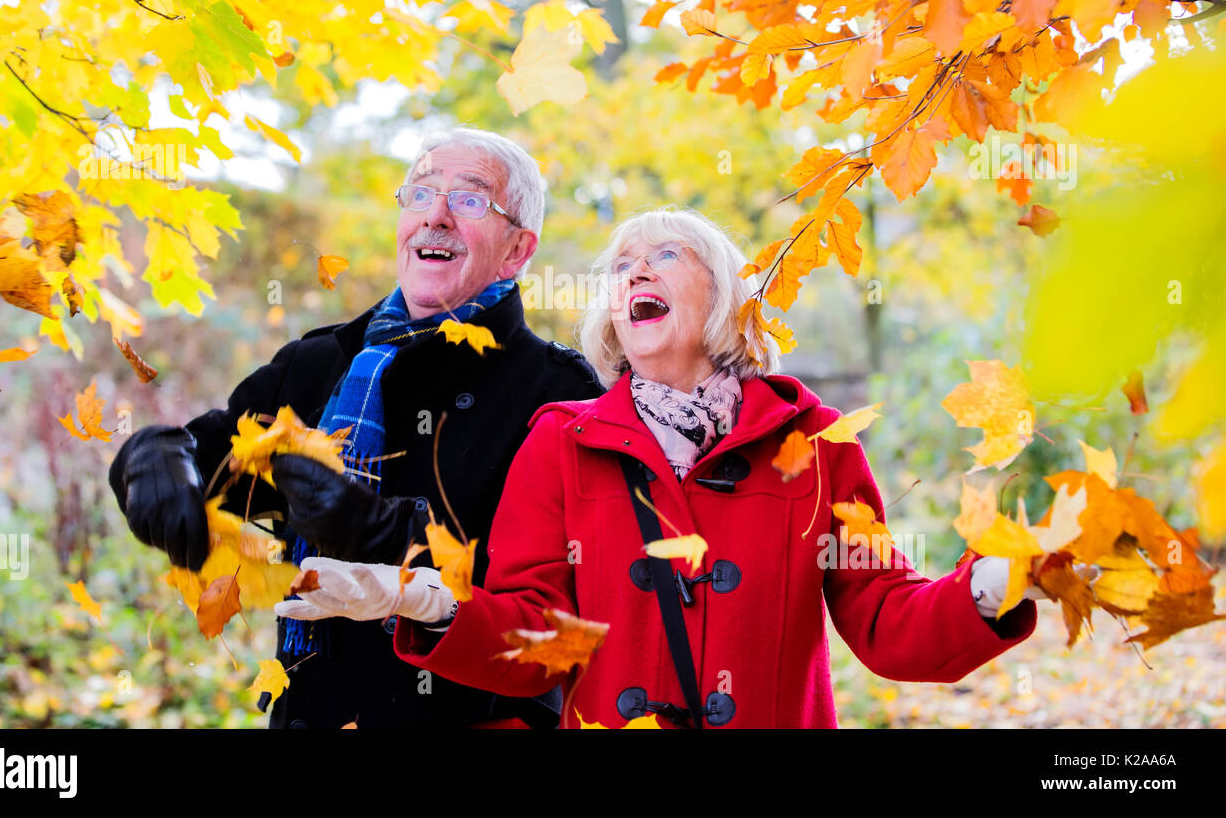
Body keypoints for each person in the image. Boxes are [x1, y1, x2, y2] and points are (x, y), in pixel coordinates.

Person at [274, 207, 1042, 728]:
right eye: (623, 268)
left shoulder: (815, 442)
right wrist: (418, 597)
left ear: (726, 296)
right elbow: (537, 636)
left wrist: (984, 586)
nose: (635, 276)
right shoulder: (561, 442)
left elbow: (885, 618)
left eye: (665, 257)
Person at [108, 127, 604, 729]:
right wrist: (154, 459)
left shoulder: (559, 393)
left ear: (518, 251)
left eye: (470, 200)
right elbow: (215, 460)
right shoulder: (321, 363)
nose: (436, 216)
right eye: (420, 194)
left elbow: (553, 622)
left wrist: (384, 535)